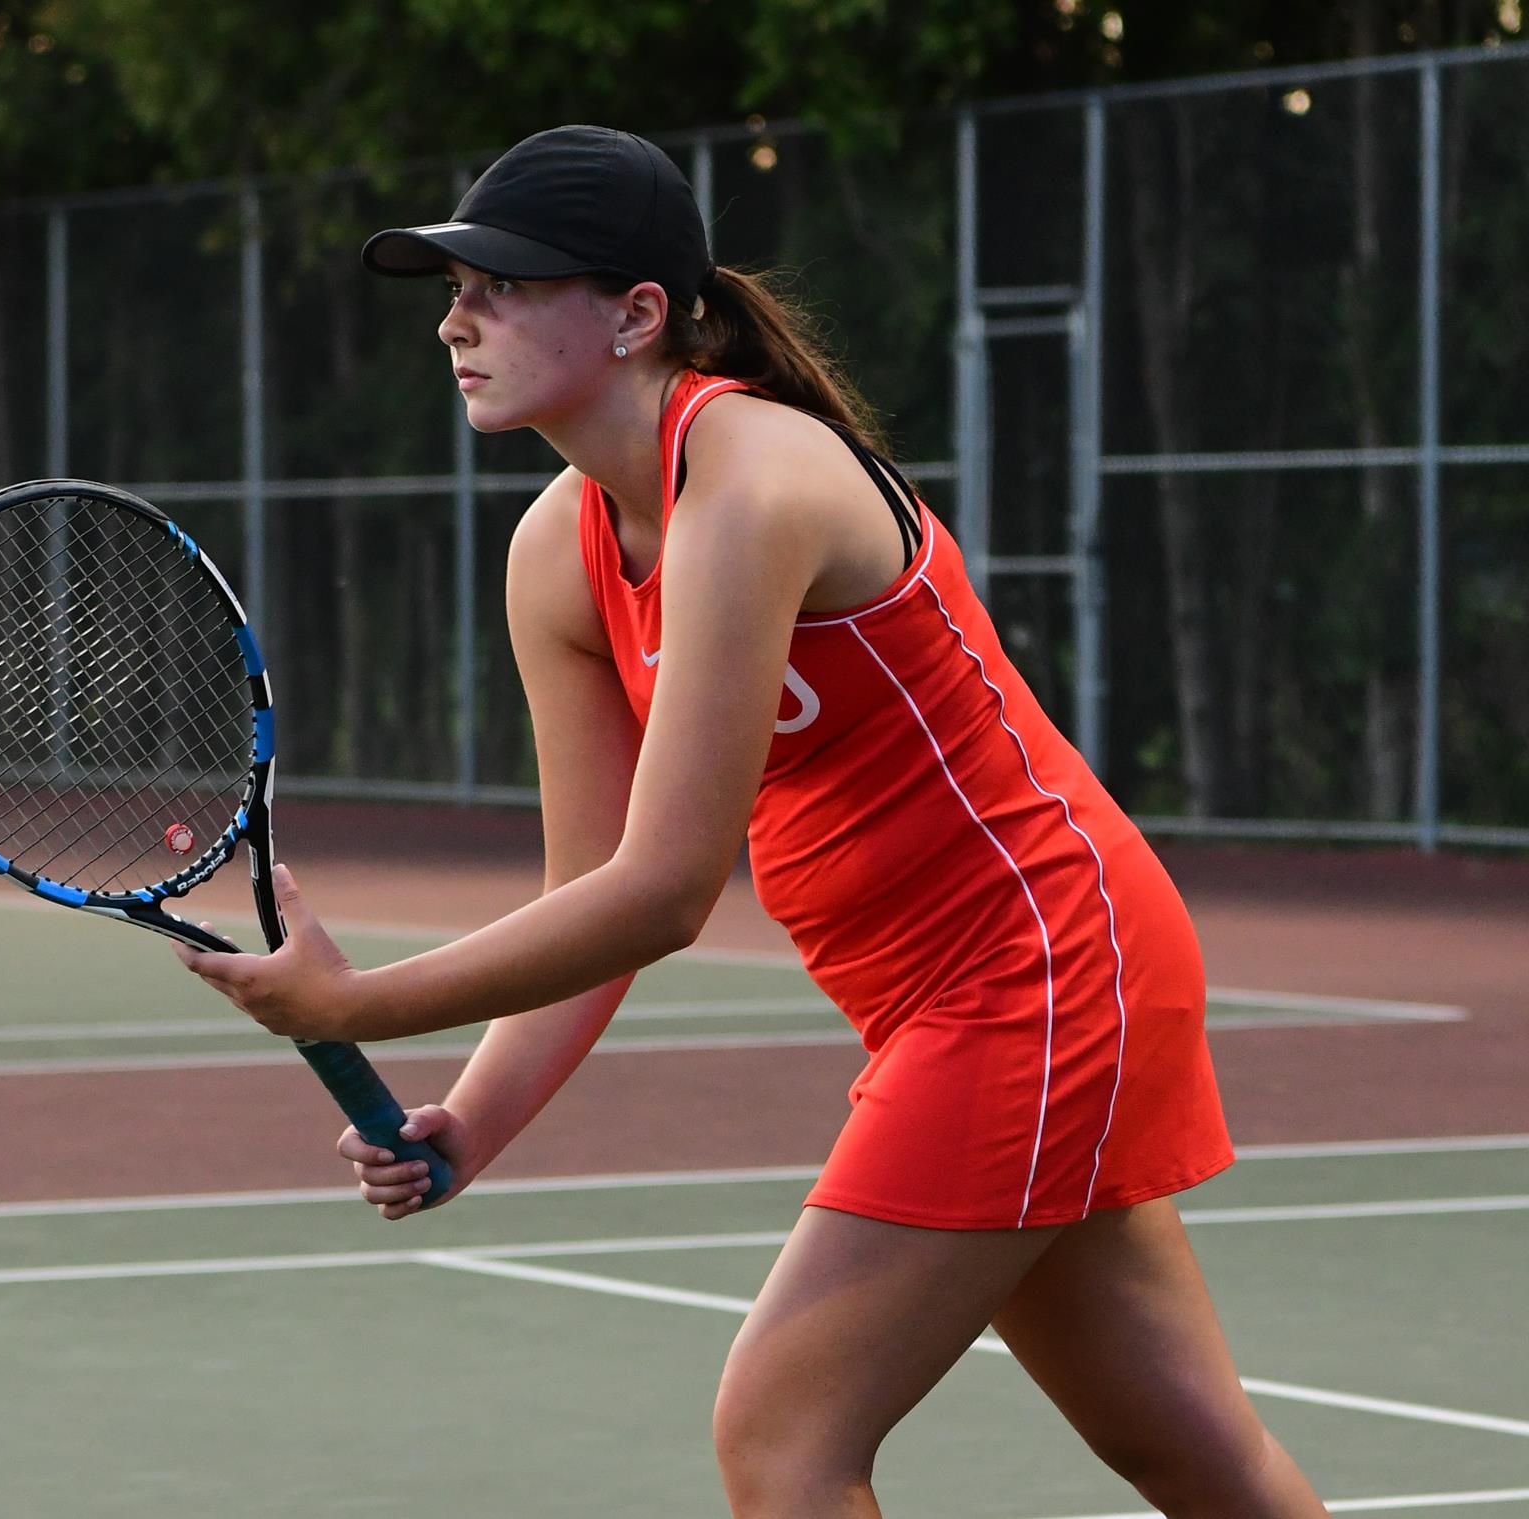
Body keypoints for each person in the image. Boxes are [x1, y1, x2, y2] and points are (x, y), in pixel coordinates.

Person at [179, 125, 1329, 1518]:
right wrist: (474, 1114)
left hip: (1040, 969)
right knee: (1189, 1453)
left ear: (636, 314)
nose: (455, 319)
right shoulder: (558, 551)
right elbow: (588, 892)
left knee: (783, 1434)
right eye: (451, 290)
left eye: (501, 286)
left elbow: (666, 895)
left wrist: (350, 1004)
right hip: (941, 1001)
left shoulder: (753, 481)